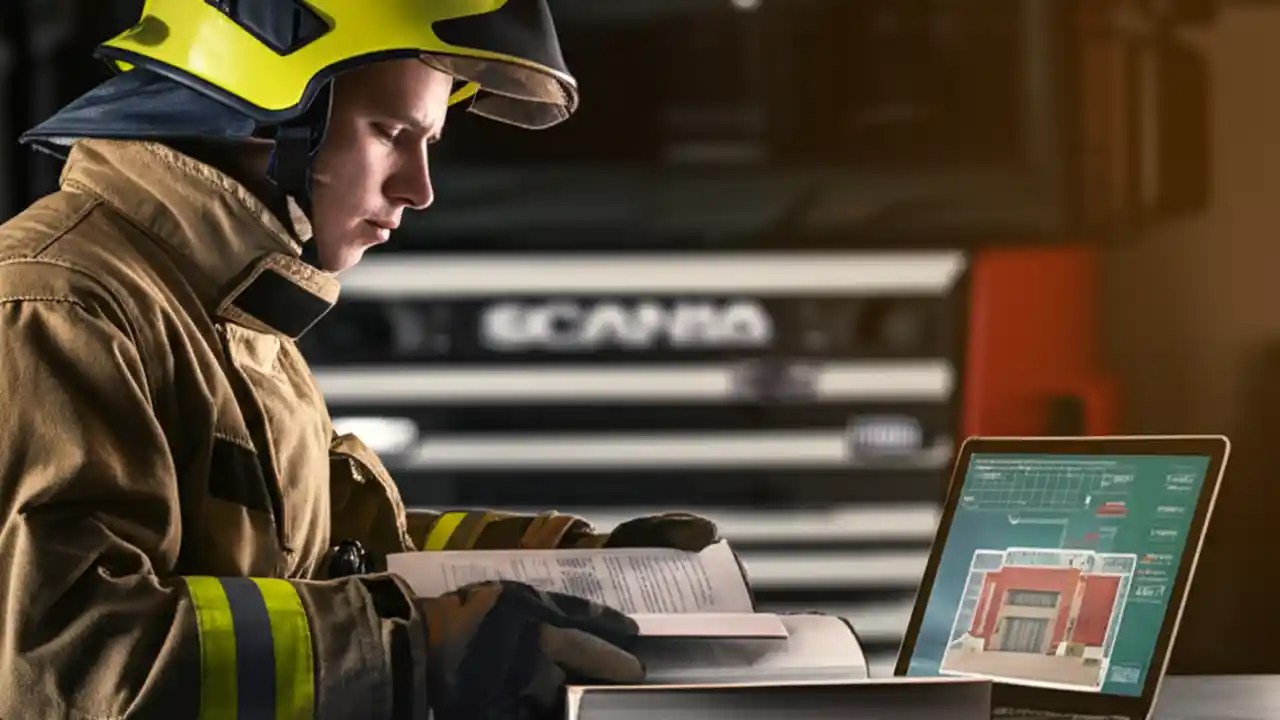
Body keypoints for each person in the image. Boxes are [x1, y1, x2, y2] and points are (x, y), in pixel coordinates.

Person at [0, 2, 721, 718]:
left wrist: (583, 564)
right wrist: (410, 649)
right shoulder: (59, 306)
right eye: (391, 134)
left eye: (427, 141)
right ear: (257, 111)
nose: (419, 188)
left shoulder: (223, 314)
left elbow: (334, 550)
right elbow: (64, 656)